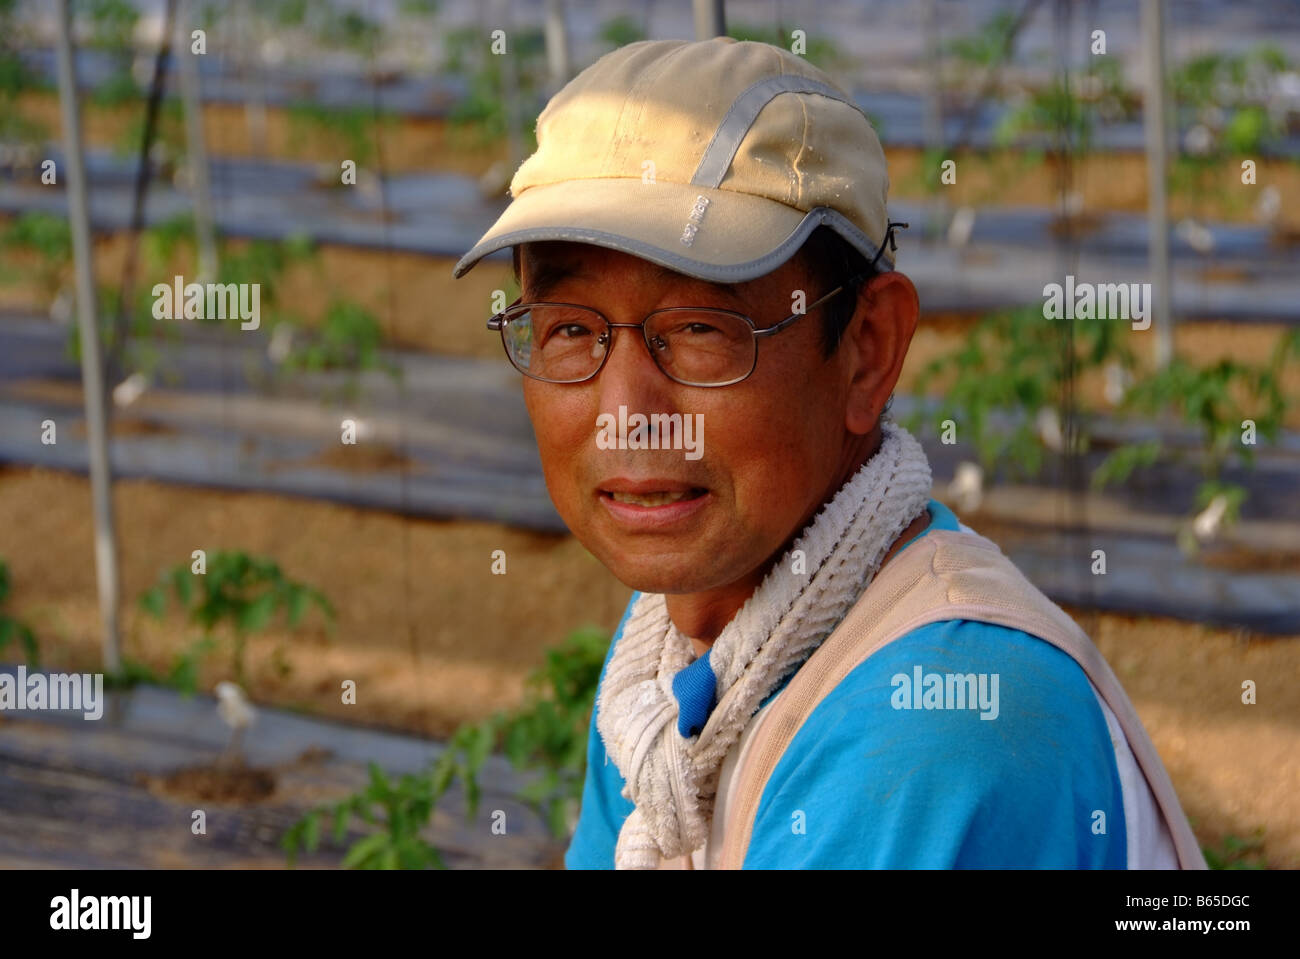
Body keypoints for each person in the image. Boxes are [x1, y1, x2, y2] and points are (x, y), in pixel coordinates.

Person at [452, 37, 1204, 869]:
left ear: (867, 349)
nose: (629, 415)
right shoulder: (663, 662)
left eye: (702, 330)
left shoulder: (939, 727)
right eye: (570, 331)